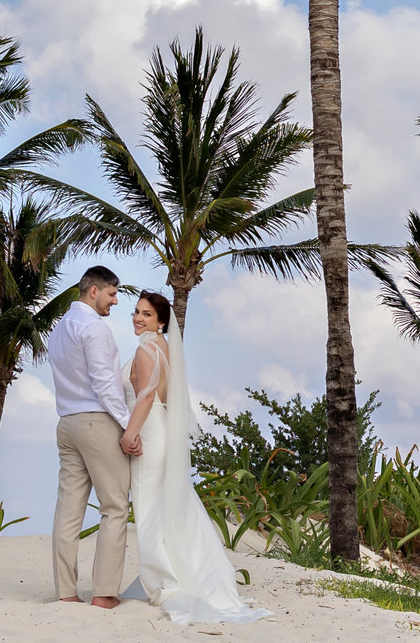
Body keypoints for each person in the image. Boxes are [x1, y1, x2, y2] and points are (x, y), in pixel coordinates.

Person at [121, 290, 272, 625]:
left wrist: (130, 433)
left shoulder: (146, 348)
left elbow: (145, 397)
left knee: (149, 510)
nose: (137, 318)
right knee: (171, 505)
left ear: (161, 322)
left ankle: (165, 581)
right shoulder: (167, 349)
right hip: (161, 430)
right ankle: (188, 573)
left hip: (148, 431)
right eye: (136, 312)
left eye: (146, 314)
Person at [46, 265, 141, 609]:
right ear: (94, 291)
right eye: (112, 294)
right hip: (96, 423)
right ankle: (104, 594)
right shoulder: (93, 328)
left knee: (68, 511)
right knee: (114, 507)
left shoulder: (58, 330)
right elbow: (105, 384)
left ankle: (66, 593)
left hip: (67, 424)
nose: (115, 302)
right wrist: (129, 427)